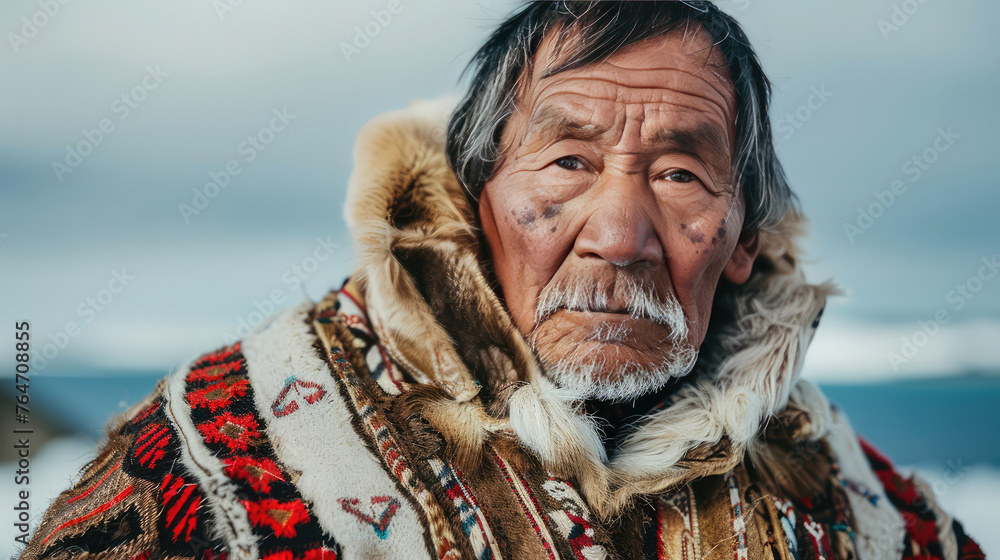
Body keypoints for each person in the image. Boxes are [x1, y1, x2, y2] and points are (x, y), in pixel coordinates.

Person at [18, 3, 983, 560]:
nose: (619, 233)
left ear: (740, 239)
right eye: (565, 162)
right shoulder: (227, 443)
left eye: (682, 174)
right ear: (474, 199)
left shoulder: (854, 503)